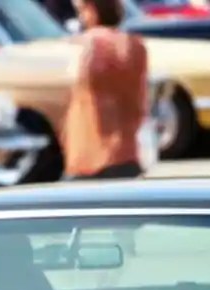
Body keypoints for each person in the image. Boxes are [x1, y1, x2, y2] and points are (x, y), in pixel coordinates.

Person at [60, 0, 148, 180]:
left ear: (92, 9)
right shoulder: (136, 46)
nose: (80, 18)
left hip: (89, 157)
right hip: (127, 154)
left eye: (81, 10)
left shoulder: (86, 45)